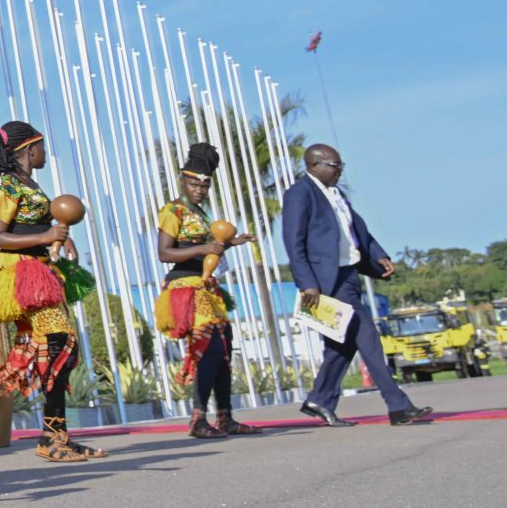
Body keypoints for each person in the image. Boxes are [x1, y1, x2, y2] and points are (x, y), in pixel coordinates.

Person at [0, 120, 106, 463]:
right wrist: (46, 236)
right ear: (29, 149)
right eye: (42, 147)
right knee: (61, 344)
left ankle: (59, 435)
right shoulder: (6, 184)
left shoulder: (29, 183)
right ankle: (50, 438)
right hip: (22, 273)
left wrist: (59, 237)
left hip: (43, 270)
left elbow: (35, 224)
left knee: (63, 349)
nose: (45, 153)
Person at [282, 144, 432, 427]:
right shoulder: (299, 194)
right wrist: (307, 283)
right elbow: (293, 241)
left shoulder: (337, 194)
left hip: (349, 275)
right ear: (313, 166)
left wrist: (378, 255)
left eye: (341, 165)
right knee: (367, 335)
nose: (340, 170)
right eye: (334, 165)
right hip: (326, 282)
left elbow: (357, 231)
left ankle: (320, 400)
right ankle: (398, 405)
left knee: (342, 344)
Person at [153, 142, 261, 439]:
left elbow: (209, 250)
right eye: (194, 184)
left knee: (224, 349)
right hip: (185, 286)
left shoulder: (201, 213)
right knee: (209, 349)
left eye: (205, 185)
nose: (200, 189)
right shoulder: (173, 210)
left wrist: (231, 243)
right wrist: (203, 248)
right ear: (182, 182)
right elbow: (164, 253)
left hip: (208, 288)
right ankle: (198, 420)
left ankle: (226, 417)